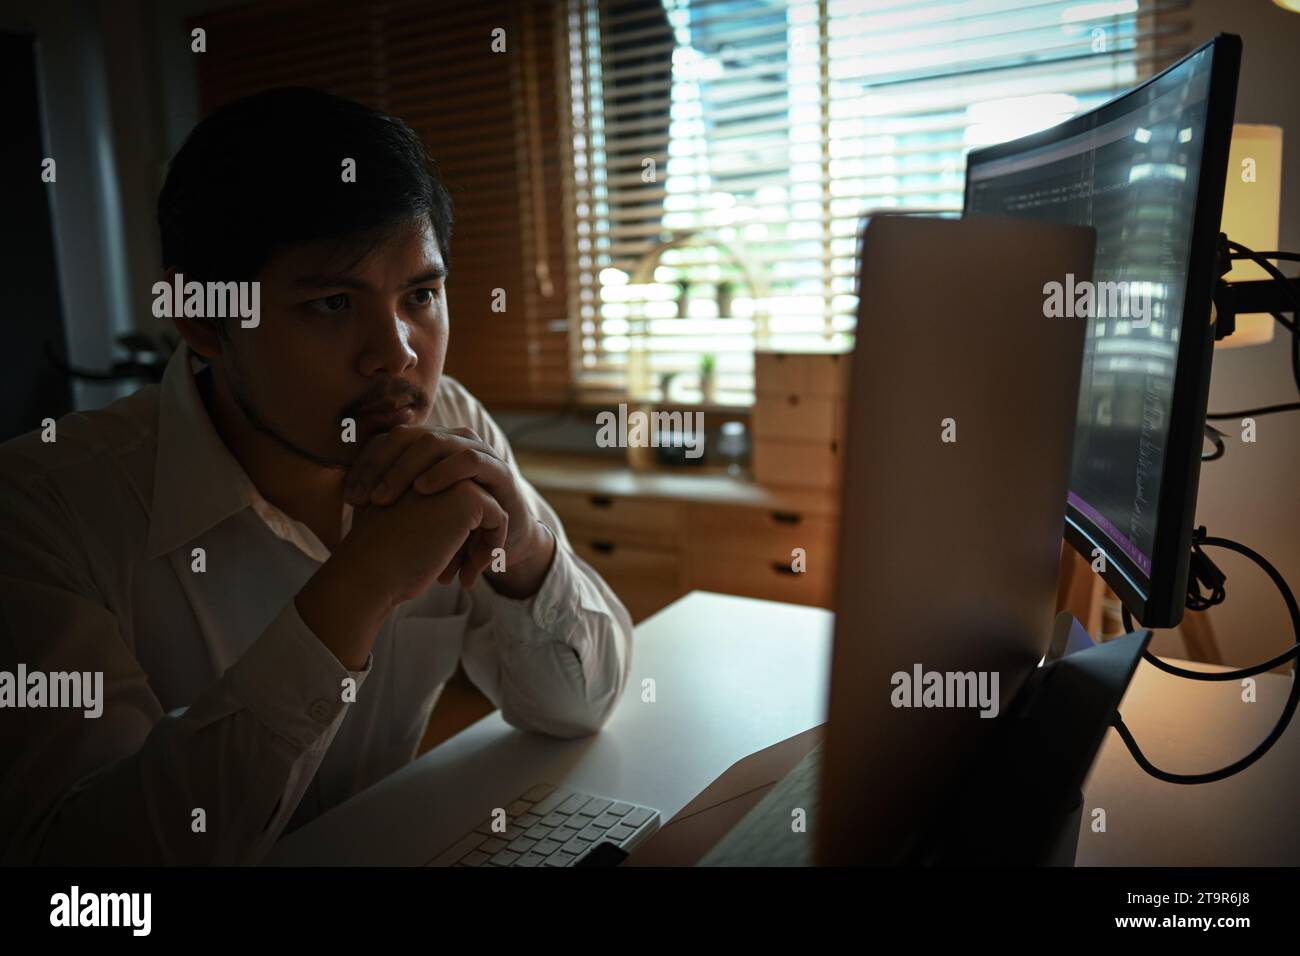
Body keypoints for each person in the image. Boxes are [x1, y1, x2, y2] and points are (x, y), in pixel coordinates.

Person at [0, 88, 633, 865]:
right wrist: (356, 589)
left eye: (421, 295)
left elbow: (583, 707)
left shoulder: (451, 427)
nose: (398, 353)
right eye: (333, 302)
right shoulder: (38, 507)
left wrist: (529, 553)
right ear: (200, 318)